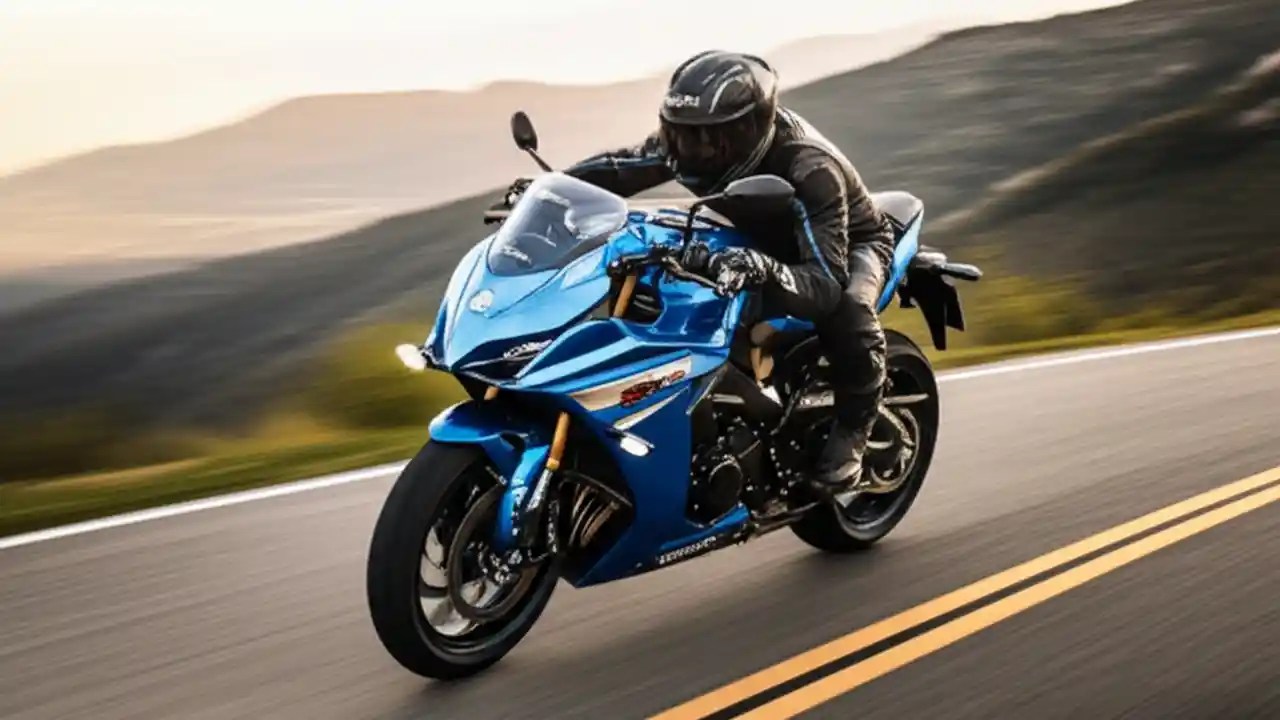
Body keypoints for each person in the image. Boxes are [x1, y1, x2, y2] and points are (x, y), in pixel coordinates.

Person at [559, 50, 896, 495]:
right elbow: (620, 171)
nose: (693, 151)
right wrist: (553, 192)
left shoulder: (809, 170)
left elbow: (824, 285)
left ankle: (855, 428)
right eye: (681, 135)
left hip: (846, 246)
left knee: (848, 308)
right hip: (755, 234)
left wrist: (765, 268)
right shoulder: (684, 150)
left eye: (710, 139)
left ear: (752, 128)